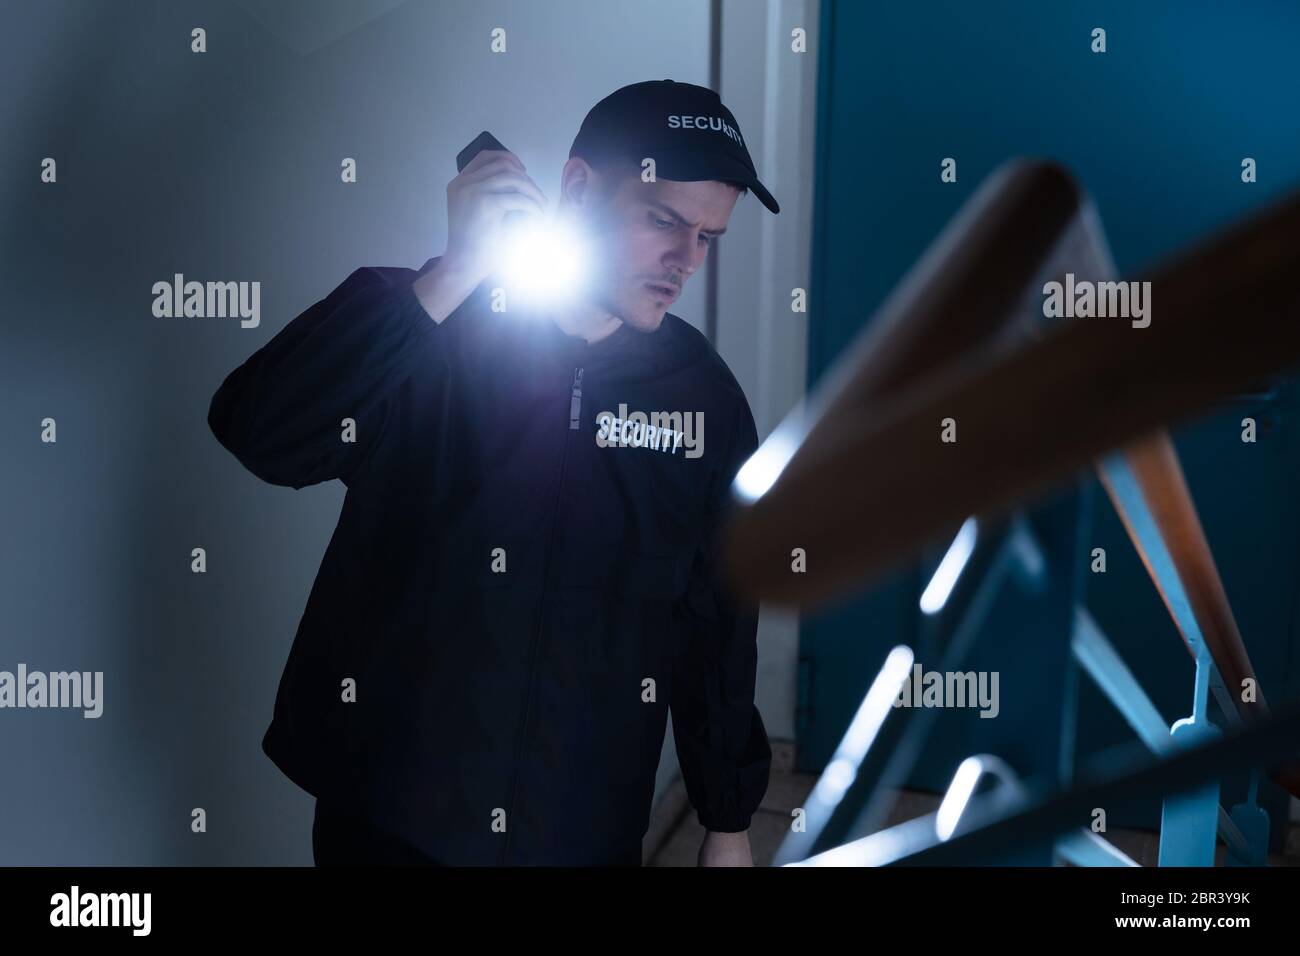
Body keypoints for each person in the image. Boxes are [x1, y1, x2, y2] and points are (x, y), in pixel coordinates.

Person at [208, 79, 781, 867]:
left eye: (708, 237)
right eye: (663, 222)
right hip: (390, 815)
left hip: (580, 827)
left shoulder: (703, 398)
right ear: (577, 188)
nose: (685, 261)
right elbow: (263, 435)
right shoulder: (423, 324)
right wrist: (451, 276)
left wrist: (726, 820)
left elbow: (716, 619)